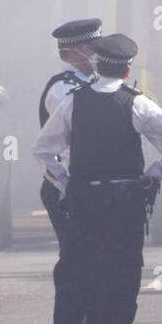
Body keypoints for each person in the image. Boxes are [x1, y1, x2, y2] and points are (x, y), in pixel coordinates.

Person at [32, 33, 162, 324]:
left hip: (84, 203)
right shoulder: (138, 103)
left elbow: (43, 151)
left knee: (74, 279)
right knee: (120, 280)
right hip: (125, 204)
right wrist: (151, 178)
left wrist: (65, 184)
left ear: (96, 64)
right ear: (128, 68)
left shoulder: (73, 102)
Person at [37, 19, 99, 239]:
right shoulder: (65, 89)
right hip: (69, 184)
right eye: (93, 48)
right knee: (78, 259)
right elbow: (71, 145)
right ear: (73, 52)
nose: (98, 54)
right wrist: (69, 187)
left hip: (80, 185)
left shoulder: (85, 83)